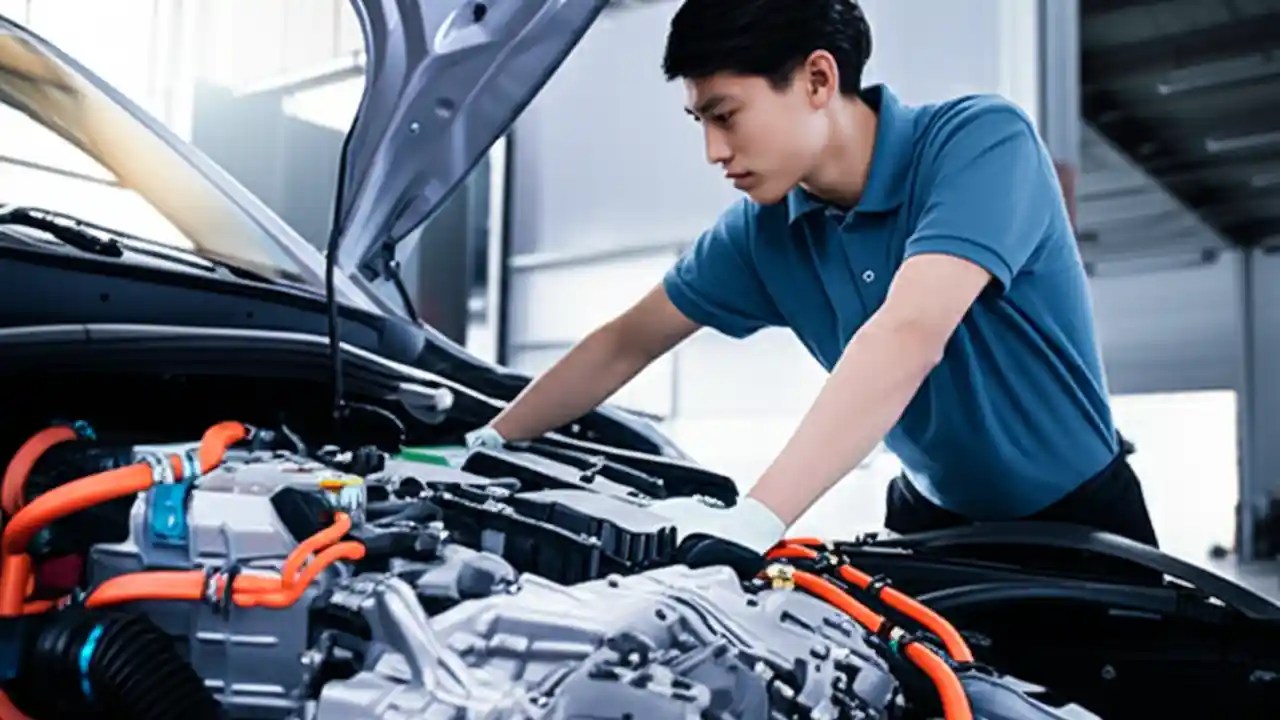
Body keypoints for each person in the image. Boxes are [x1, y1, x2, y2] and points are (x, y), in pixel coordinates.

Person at [466, 0, 1159, 563]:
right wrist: (489, 441)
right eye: (699, 121)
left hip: (1081, 525)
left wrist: (757, 518)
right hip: (931, 525)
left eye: (725, 116)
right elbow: (626, 342)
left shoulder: (977, 142)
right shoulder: (761, 232)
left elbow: (908, 335)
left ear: (818, 80)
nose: (713, 151)